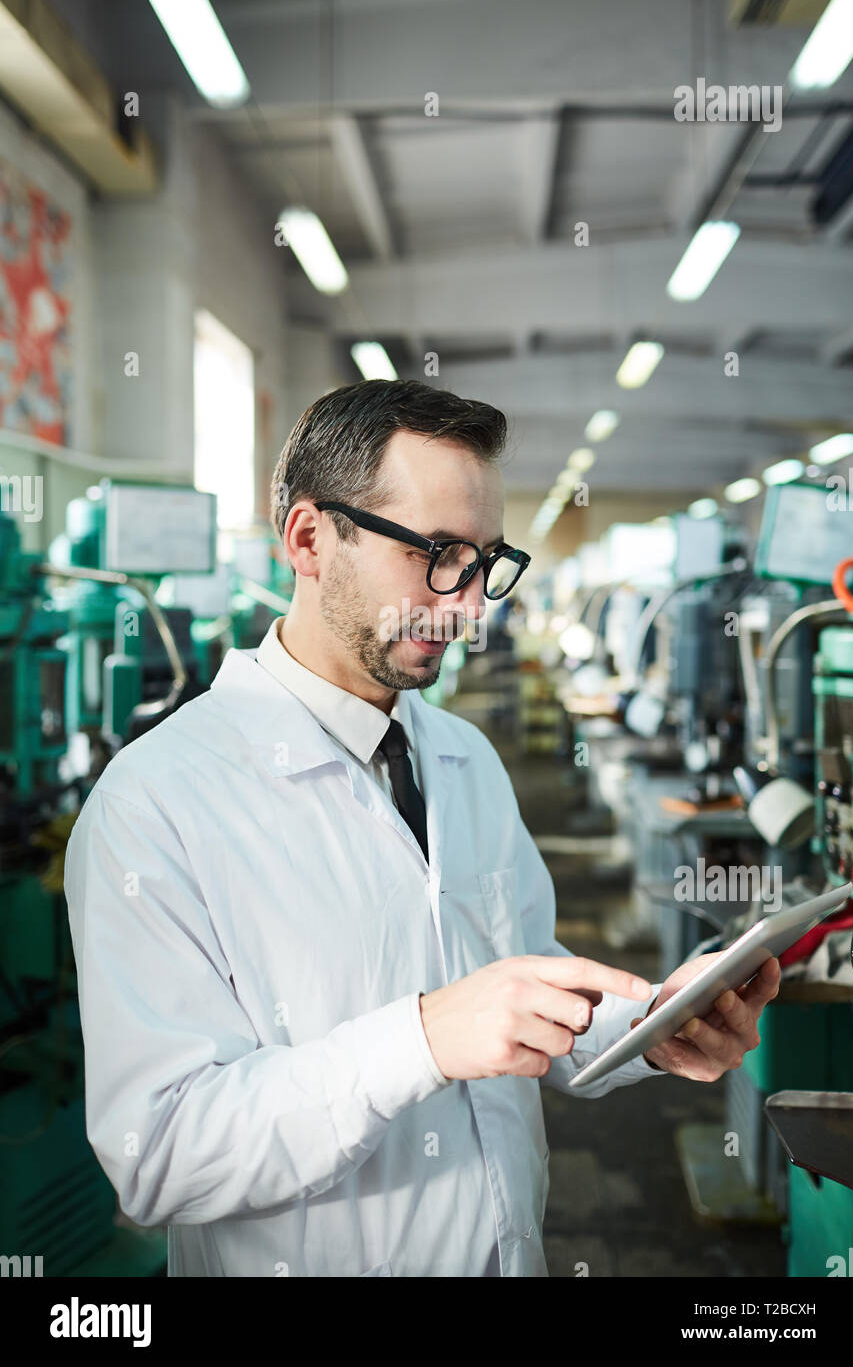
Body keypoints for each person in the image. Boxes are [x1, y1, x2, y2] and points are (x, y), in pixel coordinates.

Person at [64, 379, 780, 1277]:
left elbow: (522, 982)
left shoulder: (463, 757)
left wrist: (654, 1022)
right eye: (438, 555)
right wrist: (424, 1039)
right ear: (310, 539)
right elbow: (159, 1155)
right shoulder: (154, 804)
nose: (471, 607)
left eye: (485, 563)